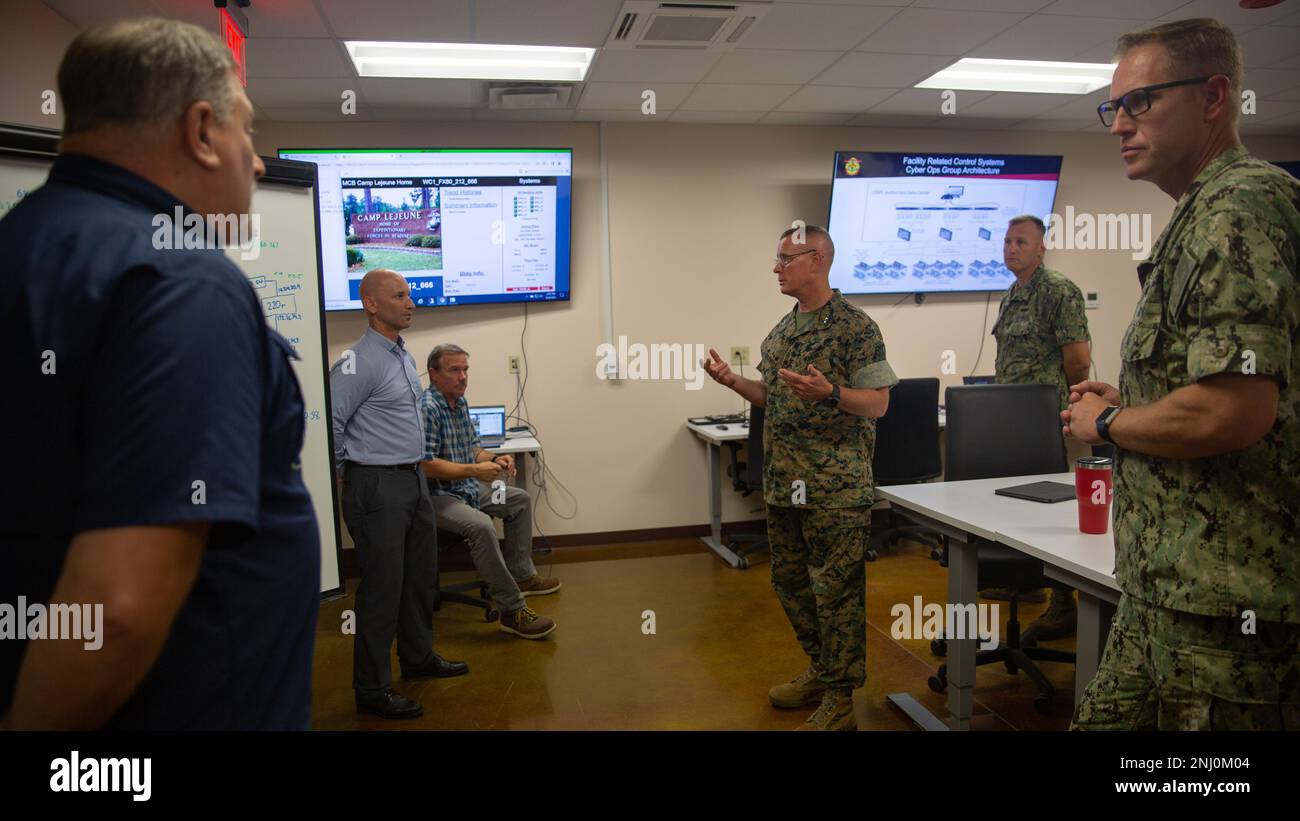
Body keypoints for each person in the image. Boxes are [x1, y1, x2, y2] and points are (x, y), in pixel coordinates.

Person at [0, 18, 318, 729]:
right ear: (201, 131)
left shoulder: (25, 244)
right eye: (247, 132)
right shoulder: (180, 282)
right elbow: (118, 607)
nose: (259, 163)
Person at [1064, 18, 1299, 730]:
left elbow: (1234, 410)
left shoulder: (1238, 206)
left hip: (1225, 610)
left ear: (1214, 97)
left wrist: (1107, 422)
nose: (1119, 125)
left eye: (1141, 102)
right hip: (1168, 592)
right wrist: (1133, 400)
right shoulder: (1201, 214)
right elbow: (1212, 386)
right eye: (1115, 108)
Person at [704, 224, 897, 731]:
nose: (776, 268)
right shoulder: (781, 333)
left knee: (836, 592)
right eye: (777, 259)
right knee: (790, 583)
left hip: (836, 489)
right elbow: (774, 397)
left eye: (785, 259)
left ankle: (840, 698)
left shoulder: (857, 328)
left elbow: (878, 404)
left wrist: (832, 392)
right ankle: (821, 668)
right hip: (786, 484)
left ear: (818, 260)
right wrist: (735, 382)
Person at [331, 268, 468, 720]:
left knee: (419, 580)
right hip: (376, 484)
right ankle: (371, 689)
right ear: (371, 304)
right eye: (399, 295)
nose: (411, 301)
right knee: (382, 590)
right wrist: (347, 476)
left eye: (410, 294)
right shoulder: (357, 362)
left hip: (412, 481)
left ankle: (418, 657)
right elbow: (331, 425)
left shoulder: (403, 356)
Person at [988, 215, 1092, 641]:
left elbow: (1078, 359)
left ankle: (1063, 603)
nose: (1012, 248)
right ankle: (1027, 581)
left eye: (1022, 242)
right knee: (1019, 503)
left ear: (1041, 247)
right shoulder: (1012, 295)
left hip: (1050, 417)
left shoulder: (1058, 291)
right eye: (1008, 241)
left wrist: (1068, 408)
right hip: (1012, 418)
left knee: (1055, 509)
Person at [420, 344, 560, 639]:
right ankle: (512, 610)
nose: (462, 377)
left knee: (518, 499)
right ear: (433, 373)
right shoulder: (427, 408)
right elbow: (427, 465)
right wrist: (475, 471)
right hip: (438, 496)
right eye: (454, 370)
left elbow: (473, 450)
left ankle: (521, 576)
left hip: (466, 489)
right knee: (481, 525)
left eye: (465, 369)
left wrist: (494, 459)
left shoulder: (460, 402)